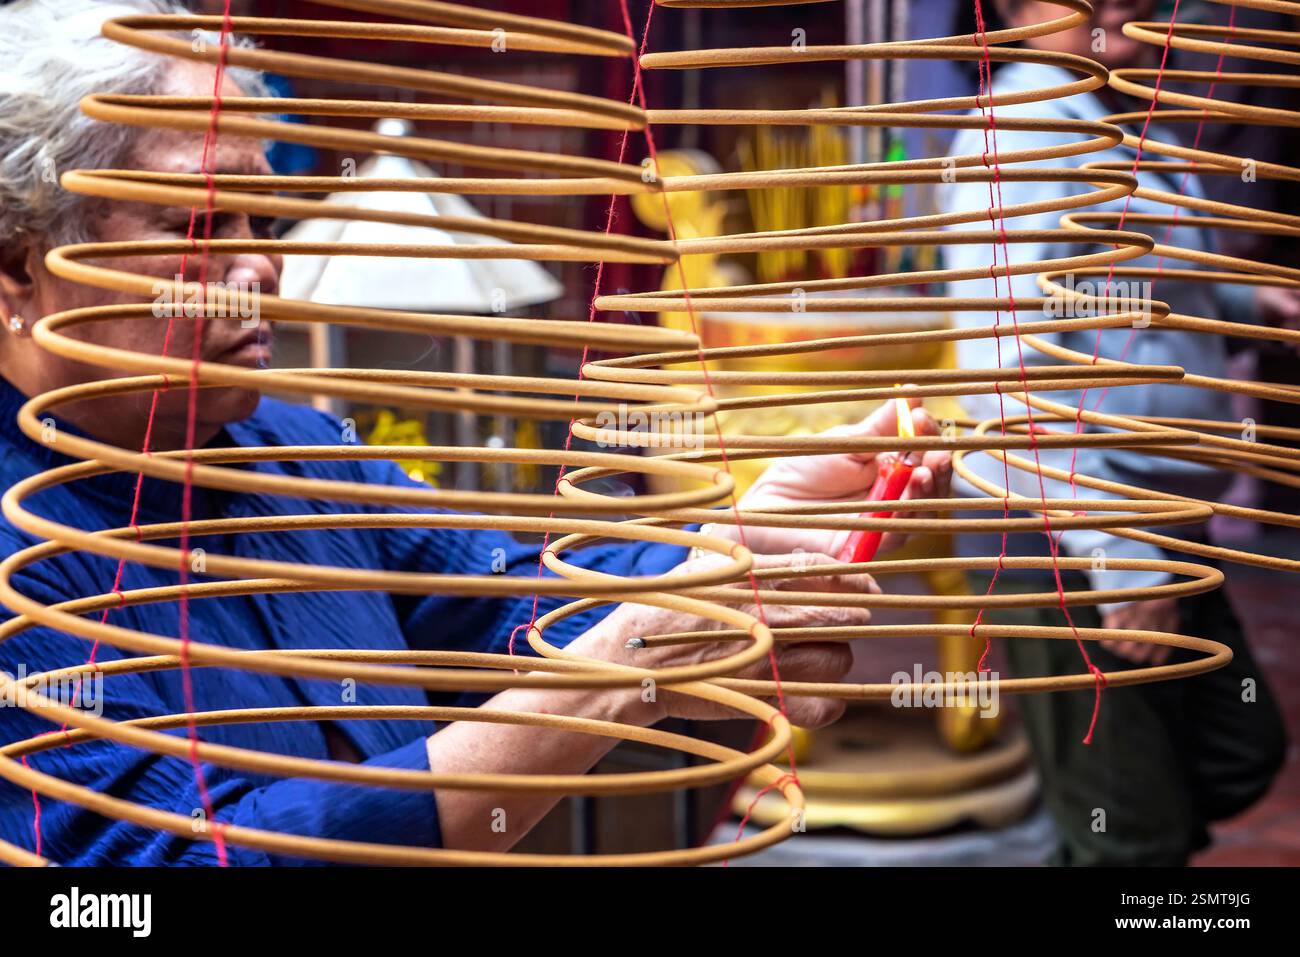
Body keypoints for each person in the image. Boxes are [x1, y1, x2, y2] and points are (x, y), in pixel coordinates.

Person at [0, 0, 953, 865]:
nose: (257, 269)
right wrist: (613, 677)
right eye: (195, 224)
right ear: (18, 268)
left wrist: (730, 552)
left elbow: (506, 604)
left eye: (258, 215)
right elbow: (167, 872)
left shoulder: (303, 453)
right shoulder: (21, 555)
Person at [941, 0, 1288, 864]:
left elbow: (1119, 297)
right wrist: (1120, 557)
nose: (1114, 7)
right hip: (1069, 521)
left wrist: (1248, 307)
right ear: (1009, 13)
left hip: (1151, 504)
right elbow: (1014, 364)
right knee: (1131, 834)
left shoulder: (1114, 120)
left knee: (1233, 751)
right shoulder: (1022, 133)